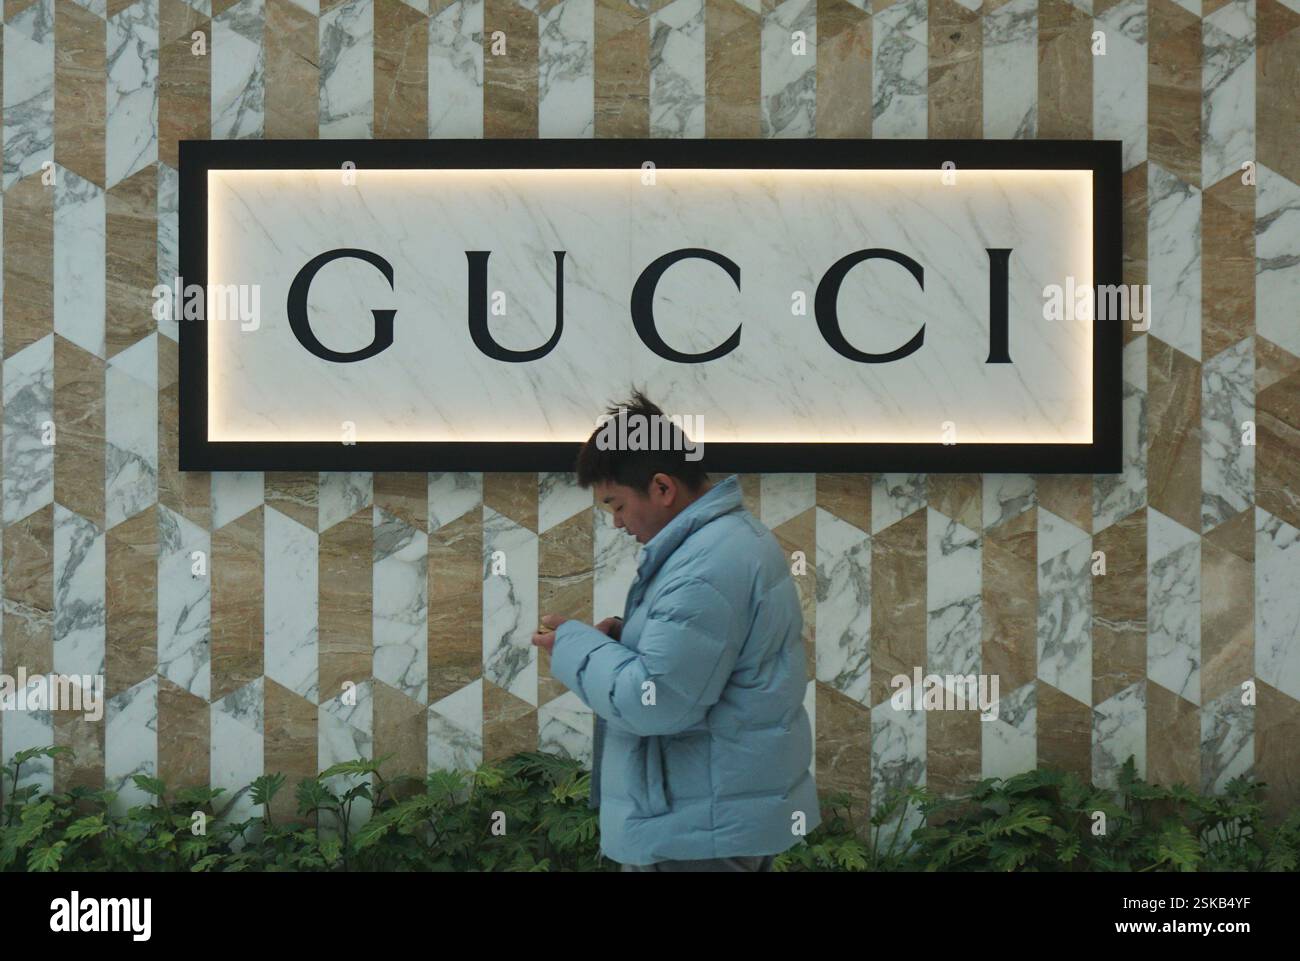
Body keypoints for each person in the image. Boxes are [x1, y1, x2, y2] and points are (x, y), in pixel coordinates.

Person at [531, 388, 821, 872]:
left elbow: (656, 700)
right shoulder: (724, 543)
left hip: (695, 831)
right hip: (710, 818)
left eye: (617, 505)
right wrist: (625, 638)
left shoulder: (705, 564)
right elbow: (706, 660)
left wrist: (575, 646)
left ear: (663, 488)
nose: (618, 524)